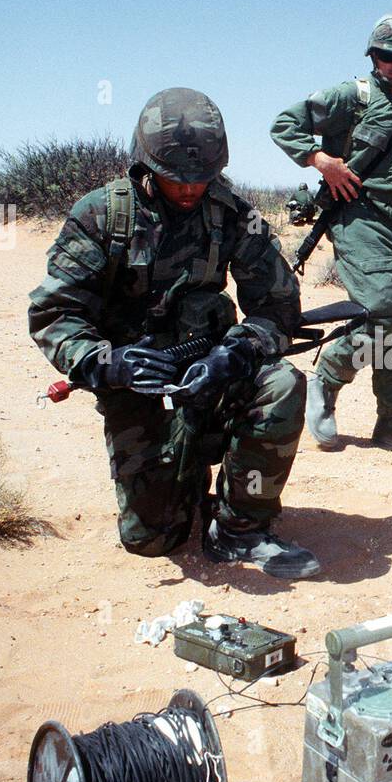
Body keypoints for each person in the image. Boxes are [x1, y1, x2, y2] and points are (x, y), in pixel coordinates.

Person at [28, 86, 320, 579]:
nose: (189, 190)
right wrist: (107, 362)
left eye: (201, 179)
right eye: (175, 179)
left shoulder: (234, 215)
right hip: (136, 386)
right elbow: (55, 314)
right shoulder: (103, 215)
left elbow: (278, 308)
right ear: (145, 165)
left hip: (213, 373)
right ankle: (182, 485)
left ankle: (240, 530)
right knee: (153, 540)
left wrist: (239, 351)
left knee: (281, 383)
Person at [270, 14, 392, 459]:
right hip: (359, 218)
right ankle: (326, 381)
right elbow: (284, 125)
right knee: (379, 315)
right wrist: (320, 160)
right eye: (386, 56)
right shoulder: (350, 97)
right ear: (373, 55)